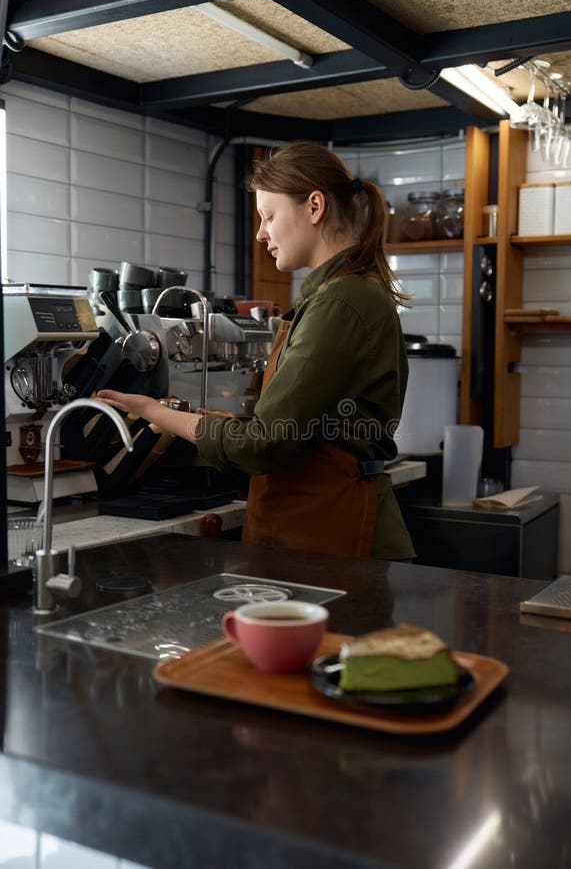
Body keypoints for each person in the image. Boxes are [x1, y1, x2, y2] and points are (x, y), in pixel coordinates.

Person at [98, 141, 415, 561]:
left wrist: (155, 411)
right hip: (327, 532)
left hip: (335, 539)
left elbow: (265, 443)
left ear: (314, 206)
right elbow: (305, 429)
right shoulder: (341, 294)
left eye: (269, 216)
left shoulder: (340, 302)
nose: (261, 232)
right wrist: (216, 421)